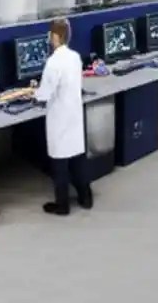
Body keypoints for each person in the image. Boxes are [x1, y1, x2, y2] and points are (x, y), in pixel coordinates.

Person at [31, 17, 92, 216]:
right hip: (74, 113)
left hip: (59, 117)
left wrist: (34, 92)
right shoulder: (75, 57)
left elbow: (45, 93)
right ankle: (86, 197)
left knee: (60, 165)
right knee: (77, 159)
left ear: (55, 37)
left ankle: (62, 205)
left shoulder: (53, 62)